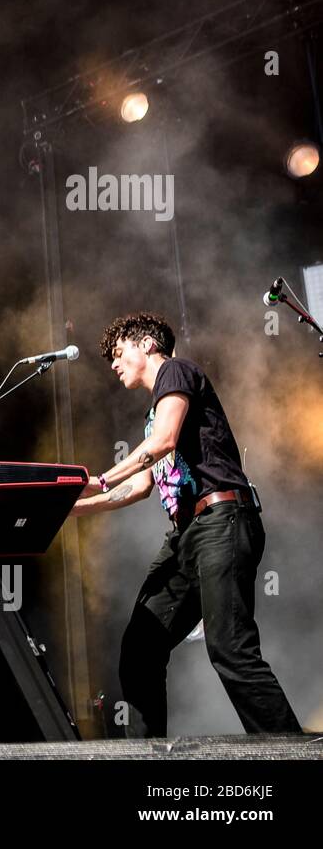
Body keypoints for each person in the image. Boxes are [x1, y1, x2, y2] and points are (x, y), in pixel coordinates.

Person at [71, 312, 300, 737]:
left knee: (229, 648)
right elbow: (139, 488)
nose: (114, 365)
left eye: (119, 354)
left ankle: (292, 751)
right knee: (140, 648)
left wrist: (100, 478)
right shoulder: (152, 414)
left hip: (221, 519)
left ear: (147, 345)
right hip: (186, 537)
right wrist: (72, 508)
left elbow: (164, 443)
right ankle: (147, 759)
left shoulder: (177, 371)